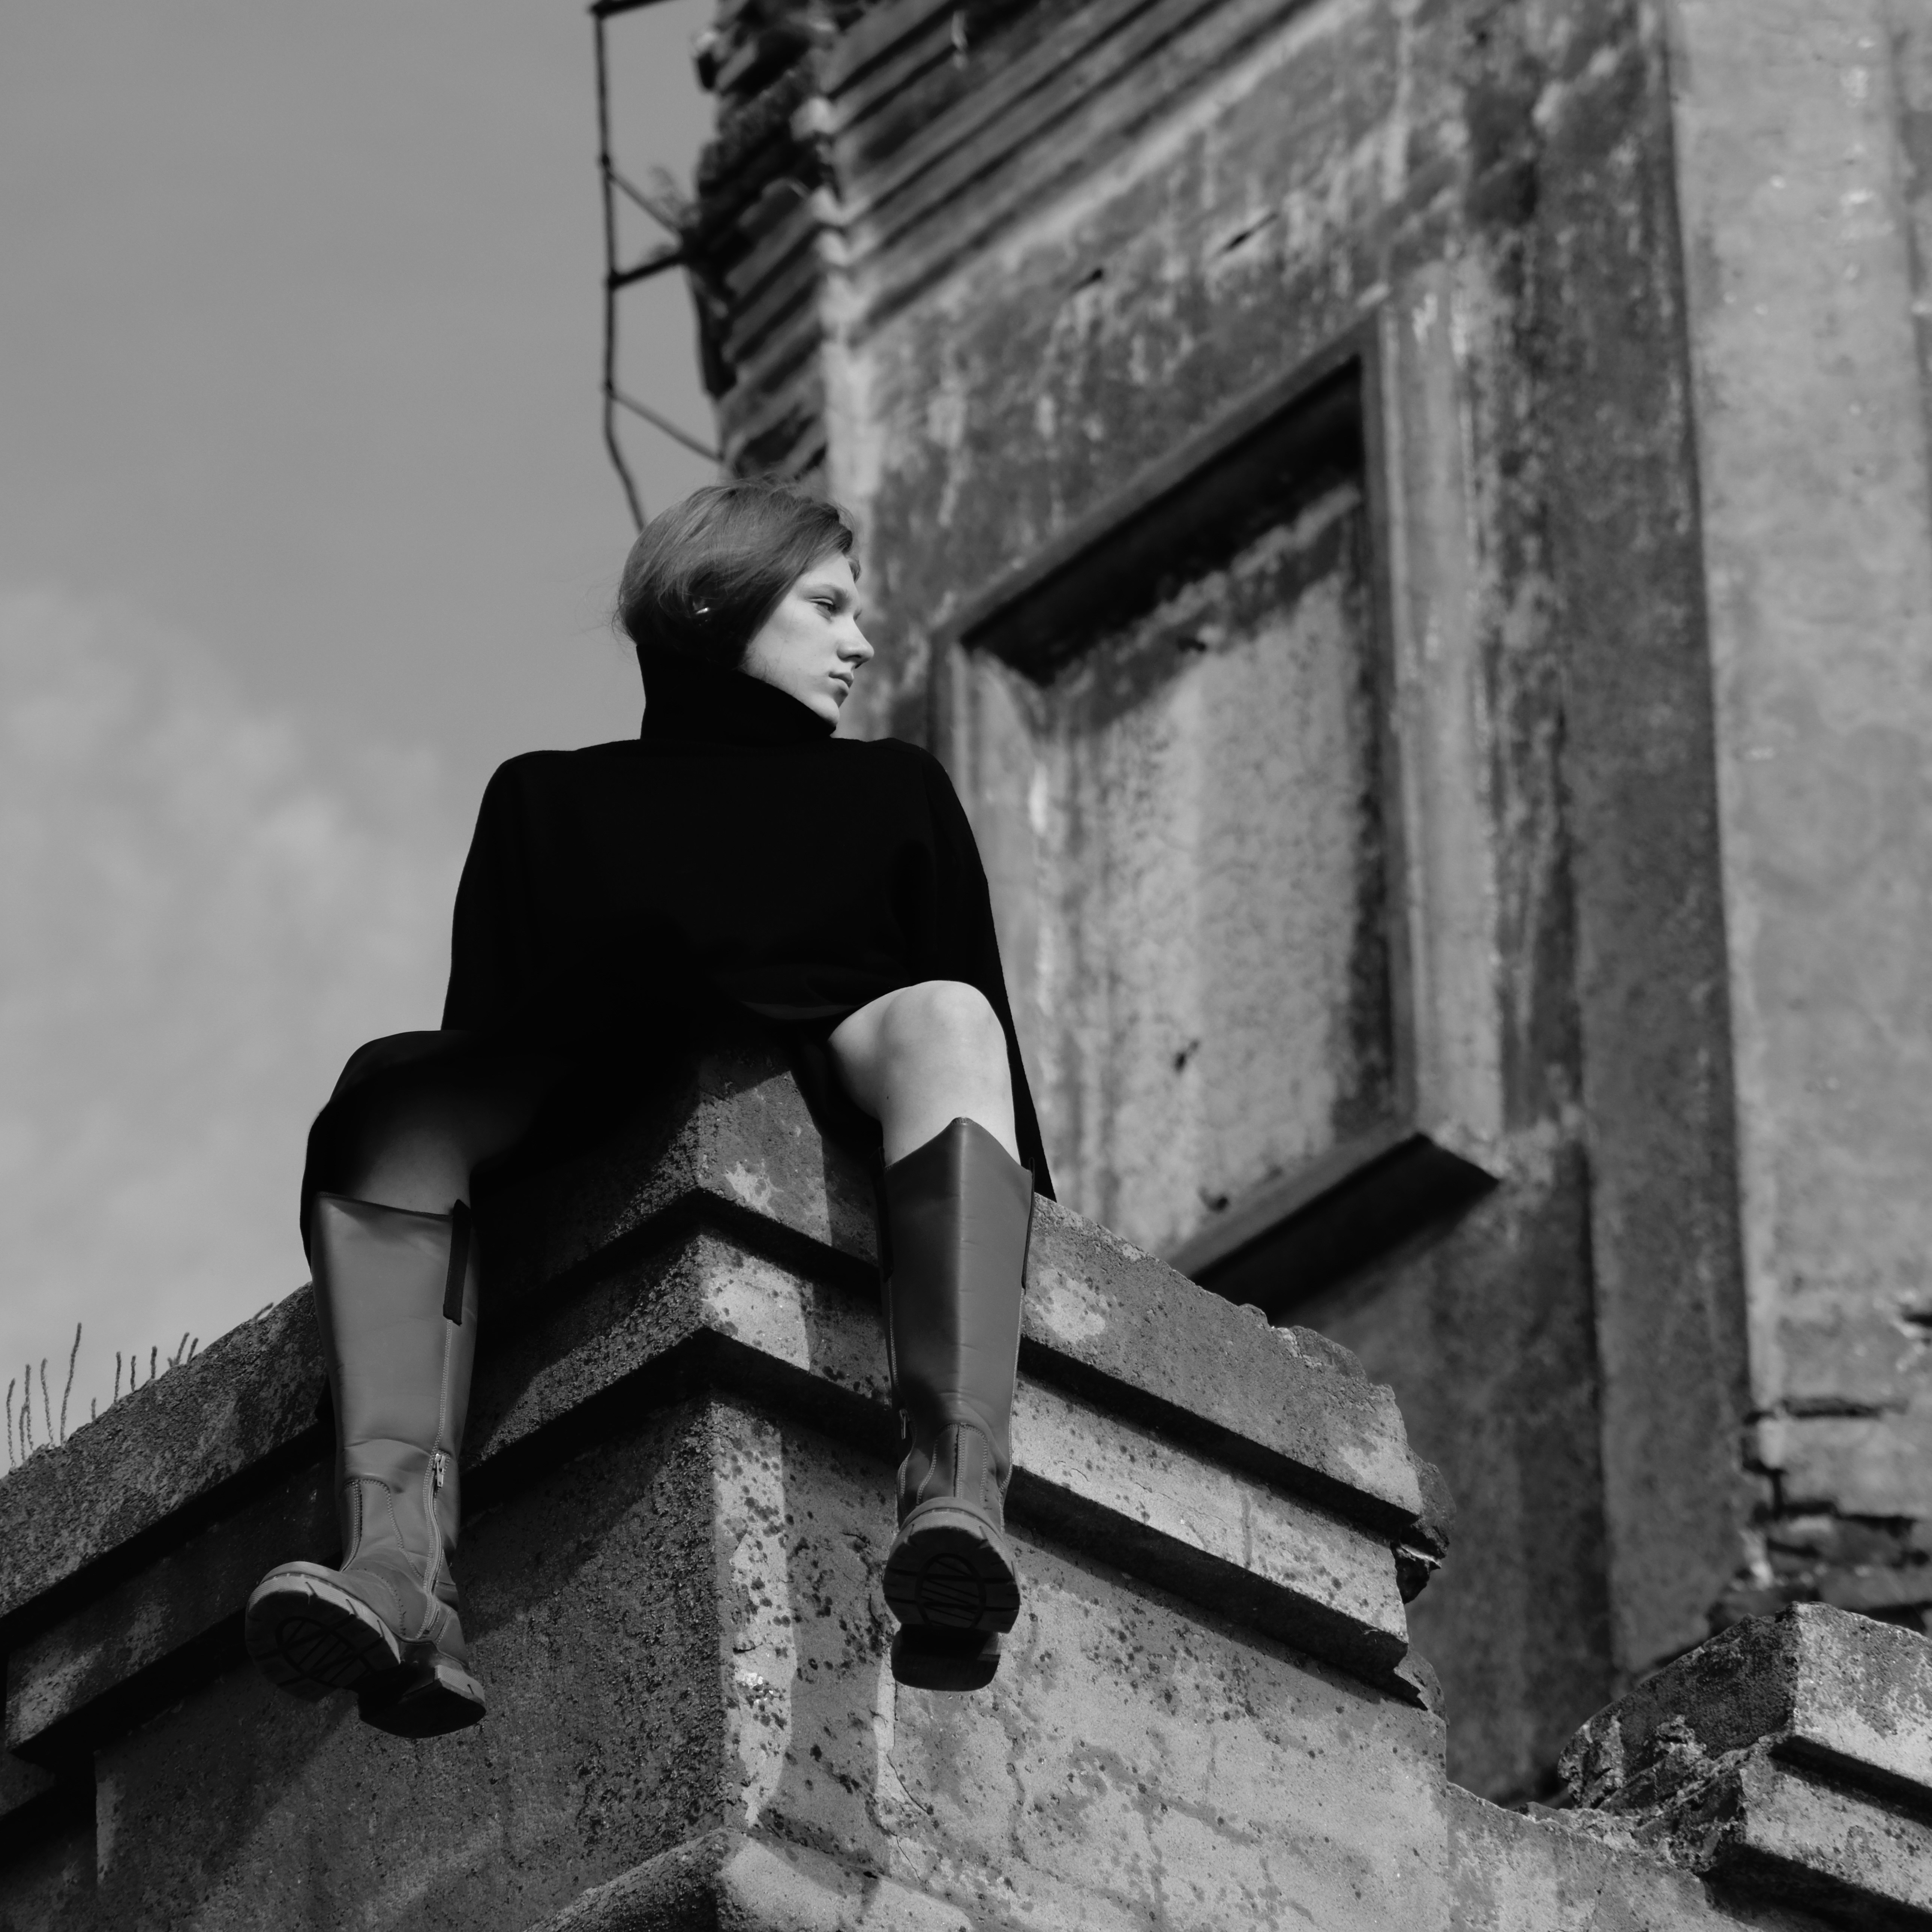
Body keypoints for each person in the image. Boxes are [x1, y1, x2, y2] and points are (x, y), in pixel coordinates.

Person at [243, 480, 1053, 1738]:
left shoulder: (898, 789)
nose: (864, 641)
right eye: (831, 605)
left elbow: (983, 1046)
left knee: (952, 1012)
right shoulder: (544, 798)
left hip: (842, 1063)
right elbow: (493, 1031)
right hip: (592, 1069)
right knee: (394, 1085)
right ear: (715, 598)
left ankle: (956, 1503)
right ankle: (398, 1572)